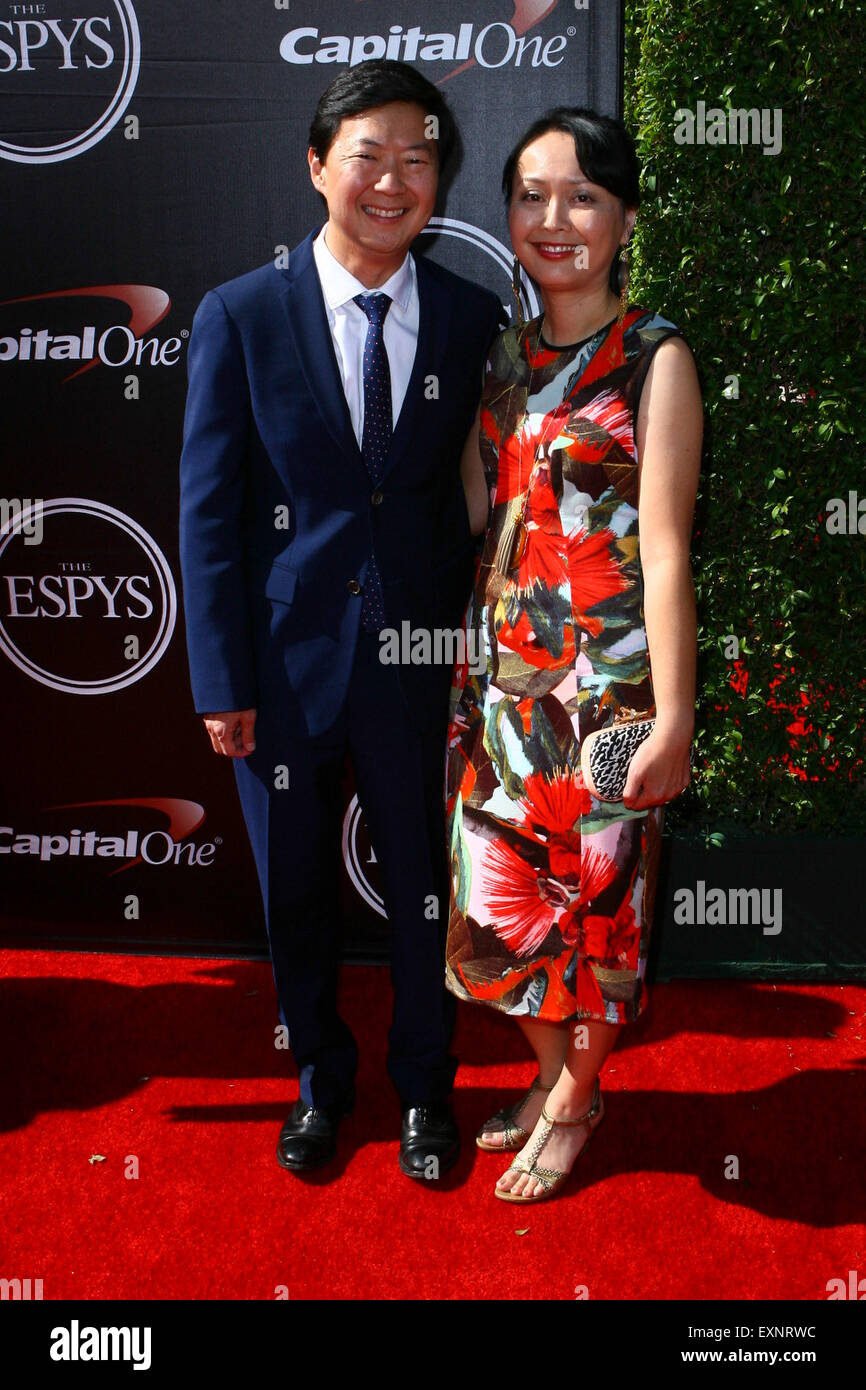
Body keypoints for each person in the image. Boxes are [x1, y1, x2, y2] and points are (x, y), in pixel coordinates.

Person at [179, 60, 504, 1179]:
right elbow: (208, 512)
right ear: (318, 166)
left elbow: (481, 490)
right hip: (280, 665)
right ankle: (320, 1082)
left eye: (418, 159)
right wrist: (220, 680)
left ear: (437, 181)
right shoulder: (241, 312)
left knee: (423, 885)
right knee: (297, 890)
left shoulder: (470, 317)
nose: (393, 179)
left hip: (420, 664)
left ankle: (425, 1089)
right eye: (368, 155)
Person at [445, 107, 702, 1202]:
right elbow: (475, 497)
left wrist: (676, 716)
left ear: (623, 218)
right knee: (502, 910)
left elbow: (667, 544)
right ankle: (556, 1076)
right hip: (499, 684)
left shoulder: (654, 358)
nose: (554, 219)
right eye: (531, 195)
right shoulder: (500, 356)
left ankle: (572, 1101)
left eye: (582, 196)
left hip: (605, 697)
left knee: (596, 912)